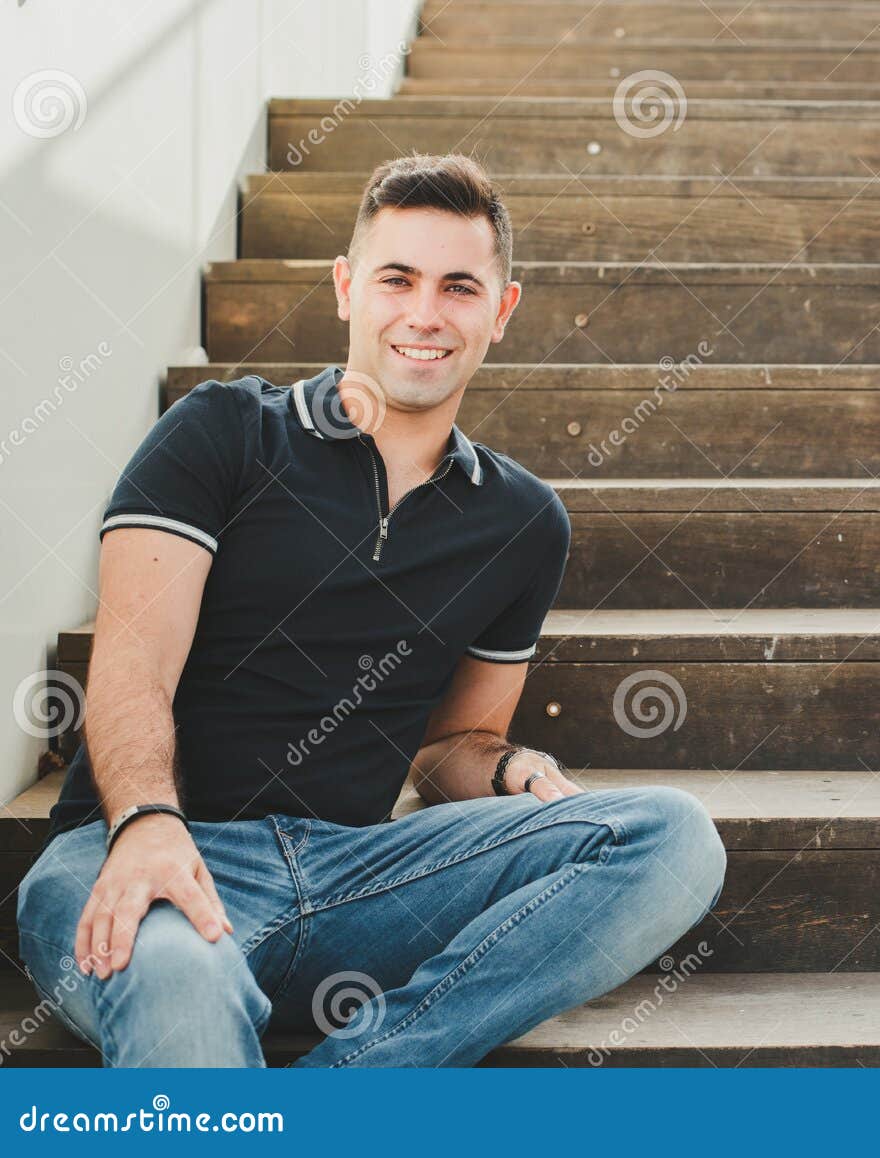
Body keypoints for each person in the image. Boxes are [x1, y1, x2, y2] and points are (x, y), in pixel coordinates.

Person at [15, 153, 726, 1067]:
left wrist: (511, 771)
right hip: (139, 846)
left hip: (357, 877)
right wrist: (150, 824)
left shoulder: (521, 520)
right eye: (398, 278)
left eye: (460, 287)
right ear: (348, 289)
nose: (425, 314)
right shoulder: (223, 431)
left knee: (674, 839)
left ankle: (352, 1086)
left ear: (501, 313)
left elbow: (448, 750)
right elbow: (128, 671)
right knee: (185, 989)